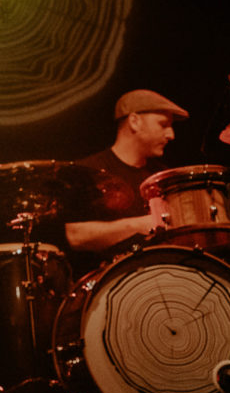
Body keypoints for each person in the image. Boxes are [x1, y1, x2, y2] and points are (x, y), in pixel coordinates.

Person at [62, 88, 187, 267]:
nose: (171, 135)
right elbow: (76, 236)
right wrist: (137, 226)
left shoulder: (163, 176)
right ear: (135, 122)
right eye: (163, 124)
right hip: (109, 284)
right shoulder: (87, 171)